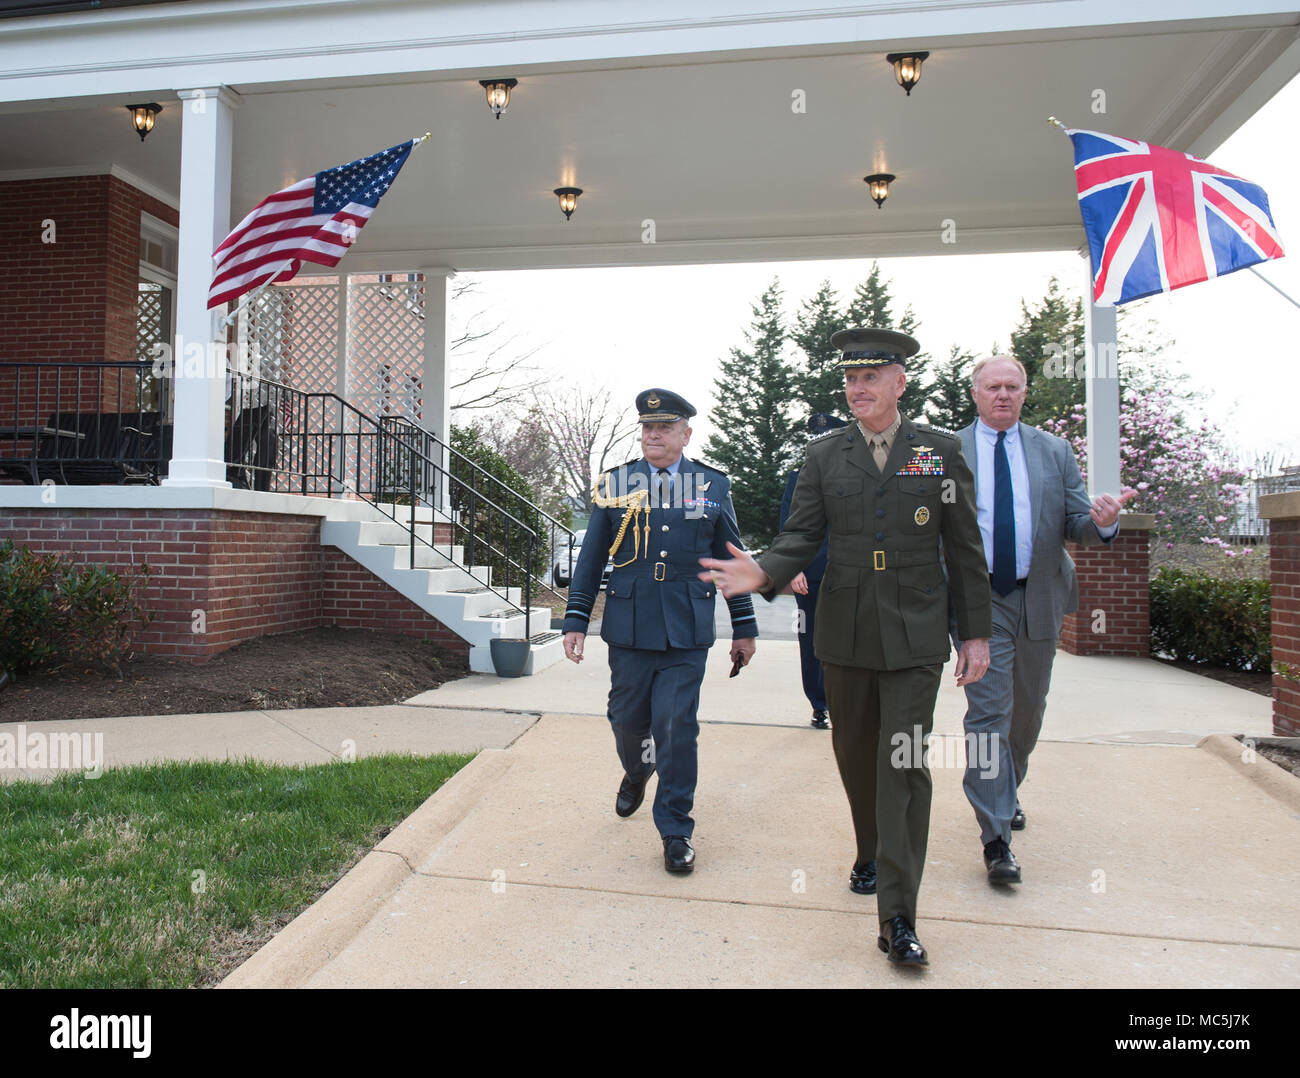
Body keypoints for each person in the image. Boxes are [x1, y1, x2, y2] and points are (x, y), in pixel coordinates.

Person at [700, 327, 992, 969]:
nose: (858, 388)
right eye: (850, 379)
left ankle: (898, 918)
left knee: (905, 764)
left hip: (917, 631)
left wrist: (974, 632)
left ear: (898, 382)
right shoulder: (825, 456)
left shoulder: (938, 452)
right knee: (858, 759)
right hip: (846, 627)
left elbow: (965, 547)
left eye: (870, 377)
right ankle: (870, 846)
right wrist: (765, 571)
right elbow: (800, 533)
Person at [562, 388, 758, 875]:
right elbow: (590, 560)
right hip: (630, 627)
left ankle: (675, 829)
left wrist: (744, 627)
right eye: (648, 427)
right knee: (627, 720)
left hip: (686, 631)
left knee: (676, 725)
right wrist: (576, 620)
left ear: (686, 434)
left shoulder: (712, 485)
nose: (653, 434)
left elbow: (731, 561)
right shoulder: (616, 482)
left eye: (665, 427)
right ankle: (636, 769)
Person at [956, 355, 1131, 886]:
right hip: (980, 599)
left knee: (1026, 712)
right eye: (993, 387)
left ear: (1025, 392)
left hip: (1040, 597)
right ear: (976, 394)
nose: (1003, 395)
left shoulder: (1053, 451)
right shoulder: (945, 451)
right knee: (988, 711)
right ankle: (995, 836)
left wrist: (1103, 521)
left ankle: (1007, 790)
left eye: (1012, 386)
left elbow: (1076, 521)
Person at [780, 414, 848, 729]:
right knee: (811, 642)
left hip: (850, 573)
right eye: (814, 437)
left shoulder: (856, 474)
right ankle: (819, 704)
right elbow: (788, 527)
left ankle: (846, 704)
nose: (818, 443)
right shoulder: (798, 477)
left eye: (825, 437)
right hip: (811, 575)